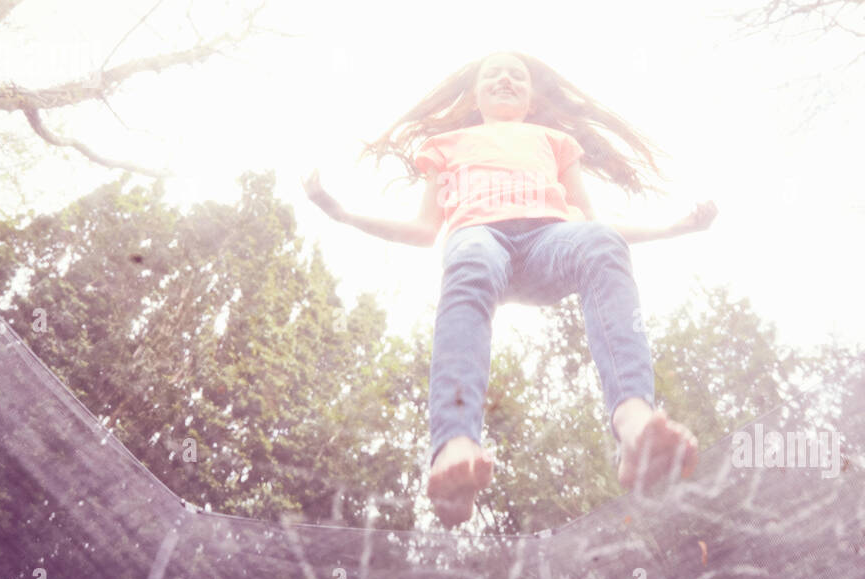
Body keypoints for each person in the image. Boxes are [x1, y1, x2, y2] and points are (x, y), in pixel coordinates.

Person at [302, 51, 716, 527]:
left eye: (516, 75)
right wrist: (343, 214)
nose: (505, 78)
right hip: (481, 237)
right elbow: (422, 229)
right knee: (471, 258)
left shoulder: (555, 141)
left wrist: (674, 229)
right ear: (475, 94)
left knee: (600, 242)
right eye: (492, 74)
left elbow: (594, 223)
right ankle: (455, 445)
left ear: (531, 97)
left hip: (549, 242)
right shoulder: (446, 144)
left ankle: (634, 421)